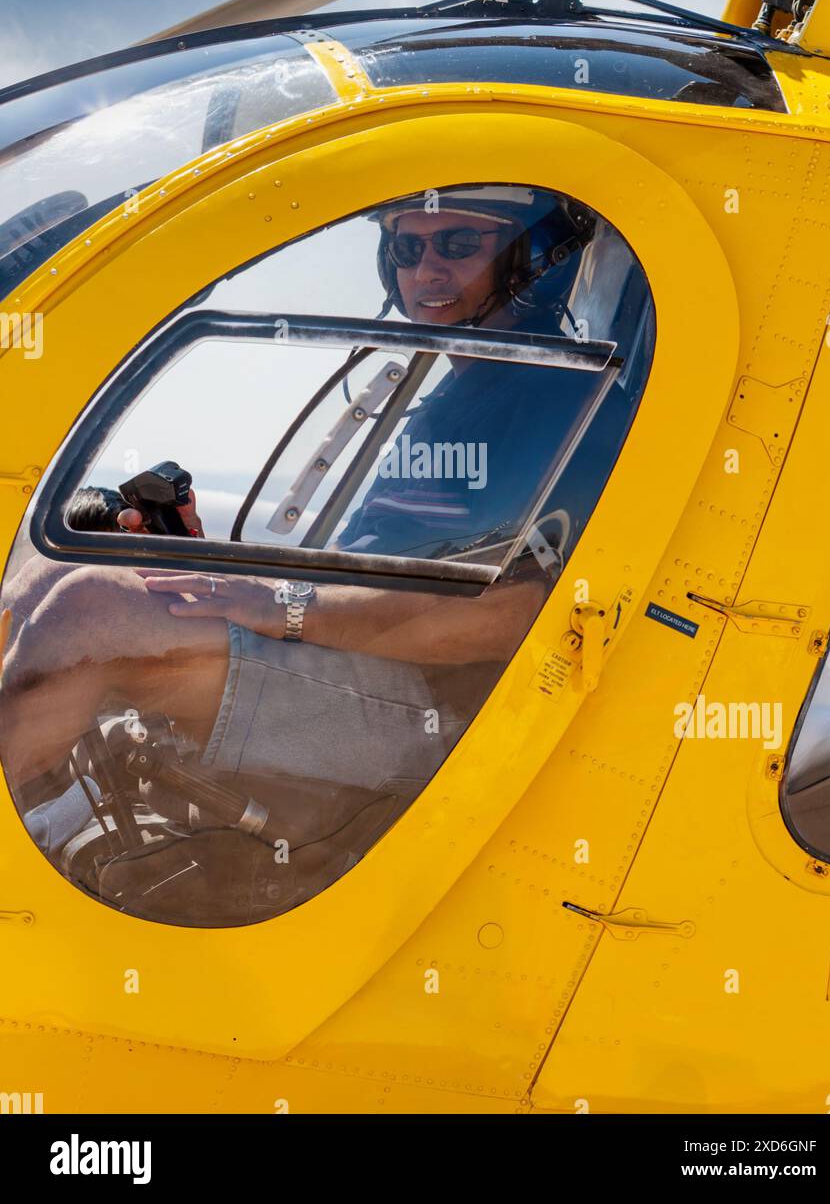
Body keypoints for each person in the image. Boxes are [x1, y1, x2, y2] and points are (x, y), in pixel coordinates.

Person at [0, 188, 643, 804]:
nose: (426, 270)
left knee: (88, 611)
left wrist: (286, 606)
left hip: (438, 710)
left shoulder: (558, 403)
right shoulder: (454, 402)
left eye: (457, 242)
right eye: (406, 251)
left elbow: (510, 617)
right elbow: (363, 567)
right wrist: (203, 565)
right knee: (59, 568)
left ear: (534, 259)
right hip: (358, 659)